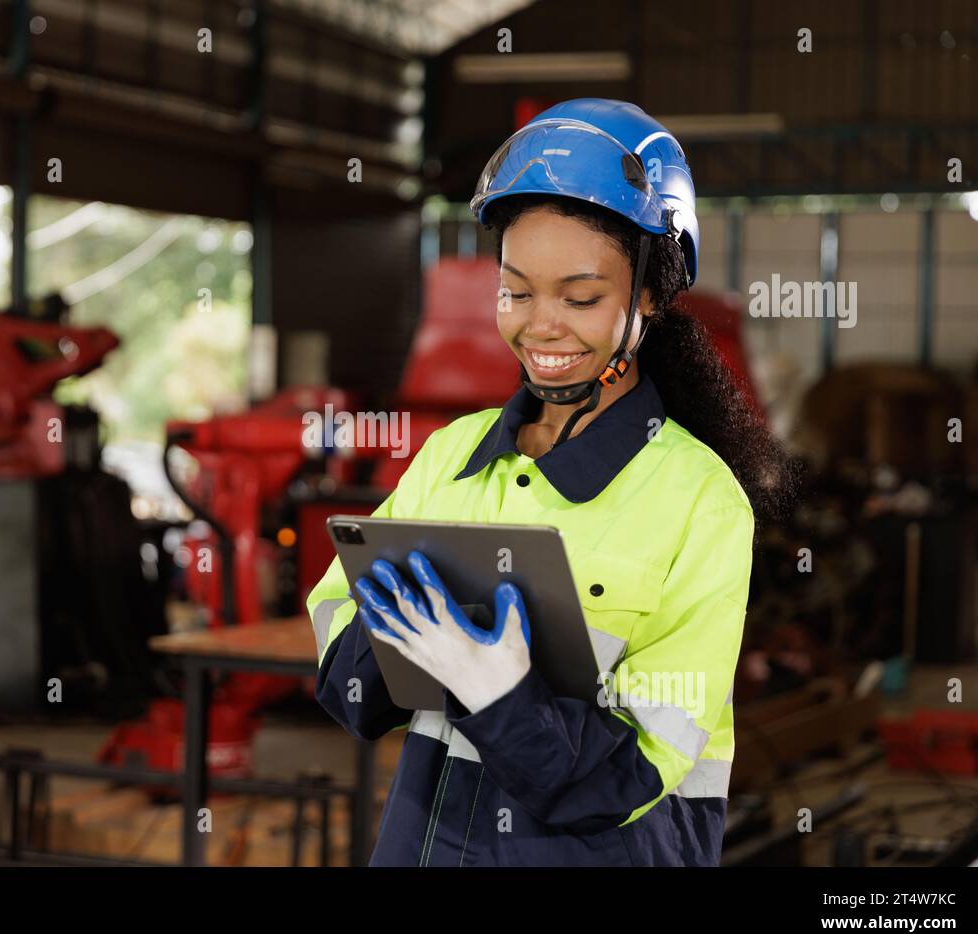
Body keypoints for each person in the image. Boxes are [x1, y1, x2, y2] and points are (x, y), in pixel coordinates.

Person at [306, 98, 797, 866]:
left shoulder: (700, 502)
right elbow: (344, 652)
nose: (541, 325)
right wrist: (386, 643)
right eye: (516, 290)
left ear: (648, 296)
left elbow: (628, 780)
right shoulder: (451, 455)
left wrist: (508, 702)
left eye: (580, 297)